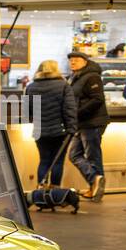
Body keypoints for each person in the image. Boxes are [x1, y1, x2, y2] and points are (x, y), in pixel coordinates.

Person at [23, 60, 76, 189]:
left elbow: (27, 111)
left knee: (44, 160)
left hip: (40, 131)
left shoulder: (31, 86)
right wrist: (72, 128)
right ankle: (54, 192)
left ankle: (41, 192)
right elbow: (69, 108)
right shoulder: (63, 85)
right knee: (57, 161)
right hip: (60, 131)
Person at [66, 51, 109, 200]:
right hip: (82, 123)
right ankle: (94, 180)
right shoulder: (75, 77)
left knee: (93, 157)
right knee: (74, 154)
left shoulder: (92, 76)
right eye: (71, 60)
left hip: (92, 122)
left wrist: (77, 113)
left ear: (85, 61)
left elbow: (97, 99)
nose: (72, 62)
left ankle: (96, 191)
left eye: (76, 59)